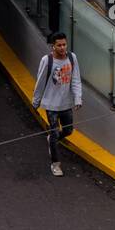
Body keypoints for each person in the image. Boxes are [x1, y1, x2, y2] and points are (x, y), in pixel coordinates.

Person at [32, 31, 82, 177]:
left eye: (64, 44)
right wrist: (36, 102)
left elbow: (76, 79)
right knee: (54, 133)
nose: (62, 48)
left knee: (68, 131)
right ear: (52, 46)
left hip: (66, 104)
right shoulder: (46, 61)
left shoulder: (72, 58)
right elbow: (40, 82)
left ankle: (52, 140)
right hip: (51, 105)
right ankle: (55, 164)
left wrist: (78, 98)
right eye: (59, 45)